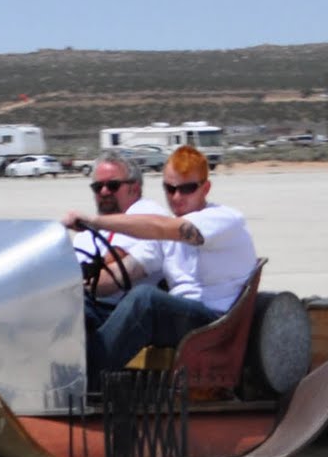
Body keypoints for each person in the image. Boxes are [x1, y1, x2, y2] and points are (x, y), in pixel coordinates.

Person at [63, 145, 257, 378]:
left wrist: (95, 221)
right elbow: (130, 268)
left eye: (187, 189)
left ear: (205, 188)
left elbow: (169, 229)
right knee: (84, 303)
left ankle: (87, 378)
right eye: (170, 188)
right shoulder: (166, 230)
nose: (176, 197)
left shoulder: (223, 219)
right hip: (179, 317)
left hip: (215, 323)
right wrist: (75, 284)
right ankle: (57, 367)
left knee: (145, 299)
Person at [71, 149, 168, 306]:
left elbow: (109, 270)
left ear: (135, 188)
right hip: (85, 306)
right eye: (98, 187)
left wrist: (73, 284)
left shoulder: (145, 214)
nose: (104, 192)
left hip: (121, 311)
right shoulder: (85, 234)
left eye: (112, 185)